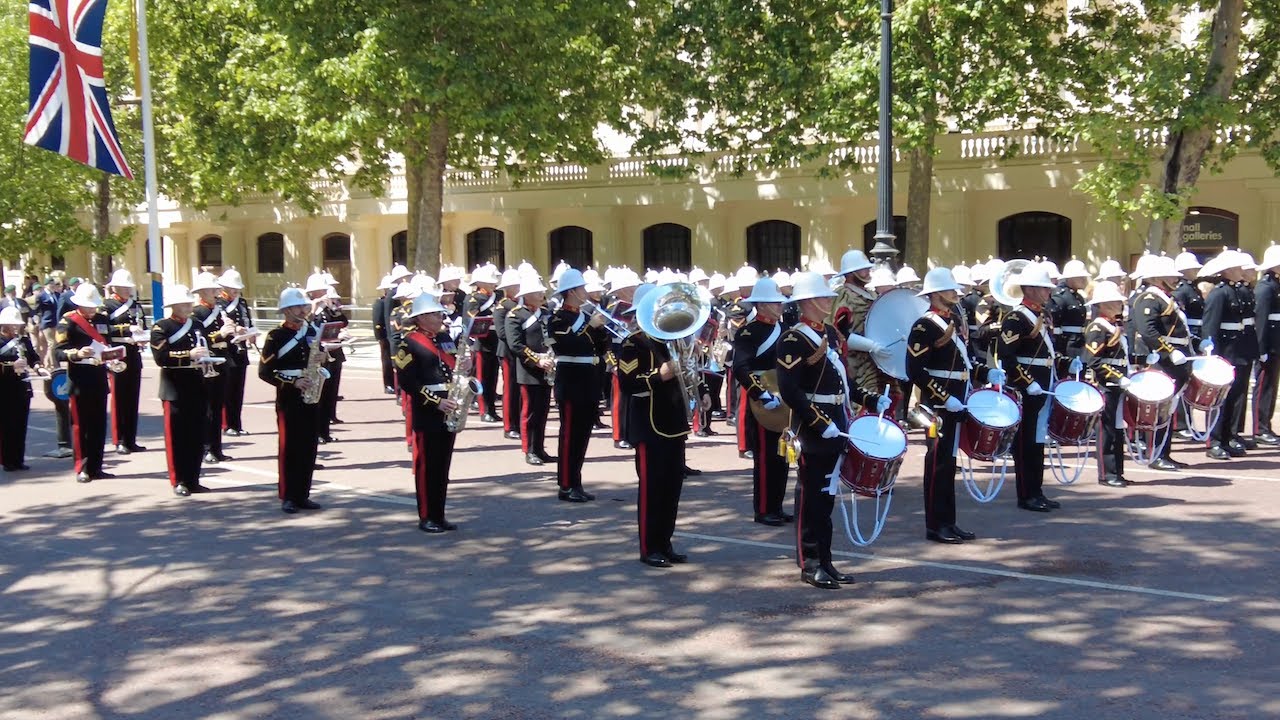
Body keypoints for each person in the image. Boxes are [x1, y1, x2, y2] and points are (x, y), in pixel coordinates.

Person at [776, 272, 888, 589]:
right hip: (815, 429)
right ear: (809, 302)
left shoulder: (828, 332)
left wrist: (870, 397)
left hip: (837, 423)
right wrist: (820, 423)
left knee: (826, 500)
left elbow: (843, 382)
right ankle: (810, 563)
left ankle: (825, 560)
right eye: (824, 297)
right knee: (811, 499)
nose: (829, 300)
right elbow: (790, 390)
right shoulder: (793, 339)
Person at [907, 268, 1004, 543]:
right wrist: (943, 399)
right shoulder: (924, 326)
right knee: (937, 463)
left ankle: (948, 521)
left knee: (948, 465)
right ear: (936, 294)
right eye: (950, 290)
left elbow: (965, 364)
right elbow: (916, 370)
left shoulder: (953, 320)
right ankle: (936, 525)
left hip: (957, 401)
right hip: (938, 407)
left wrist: (986, 374)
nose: (955, 294)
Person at [616, 282, 697, 568]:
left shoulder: (671, 340)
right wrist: (657, 376)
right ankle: (649, 547)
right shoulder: (633, 343)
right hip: (649, 425)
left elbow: (685, 375)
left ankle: (665, 542)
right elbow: (627, 383)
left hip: (673, 421)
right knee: (653, 489)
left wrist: (701, 391)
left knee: (672, 487)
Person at [995, 264, 1071, 513]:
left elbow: (1048, 353)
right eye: (1043, 288)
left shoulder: (1043, 315)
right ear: (1028, 289)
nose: (1048, 292)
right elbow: (1007, 356)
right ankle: (1025, 494)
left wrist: (1067, 364)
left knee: (1038, 441)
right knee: (1025, 442)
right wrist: (1028, 383)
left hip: (1044, 383)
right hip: (1028, 387)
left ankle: (1036, 491)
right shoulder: (1017, 317)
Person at [395, 291, 462, 533]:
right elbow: (407, 381)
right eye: (435, 313)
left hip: (449, 405)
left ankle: (439, 514)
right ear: (421, 318)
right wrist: (435, 402)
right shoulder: (409, 342)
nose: (440, 316)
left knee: (442, 466)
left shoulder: (444, 337)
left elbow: (452, 366)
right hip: (428, 409)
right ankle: (427, 516)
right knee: (427, 467)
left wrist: (465, 366)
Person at [731, 276, 792, 526]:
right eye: (775, 303)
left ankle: (776, 505)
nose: (780, 307)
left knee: (783, 453)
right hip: (763, 401)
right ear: (763, 305)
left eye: (780, 303)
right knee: (766, 457)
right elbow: (741, 368)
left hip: (784, 397)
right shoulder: (749, 331)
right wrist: (760, 393)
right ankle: (764, 508)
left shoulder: (786, 329)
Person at [54, 283, 127, 484]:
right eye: (88, 306)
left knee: (97, 425)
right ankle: (83, 467)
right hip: (79, 377)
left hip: (98, 376)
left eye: (93, 306)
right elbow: (58, 351)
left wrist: (113, 356)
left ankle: (97, 466)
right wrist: (77, 353)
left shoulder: (102, 319)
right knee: (81, 425)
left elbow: (108, 343)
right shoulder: (68, 321)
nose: (91, 310)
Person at [259, 287, 323, 514]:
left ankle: (303, 494)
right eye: (298, 306)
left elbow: (317, 355)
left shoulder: (312, 329)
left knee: (308, 446)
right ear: (286, 310)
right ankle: (288, 495)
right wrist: (292, 383)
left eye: (304, 306)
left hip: (312, 392)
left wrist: (323, 357)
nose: (303, 310)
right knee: (290, 447)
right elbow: (265, 371)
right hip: (289, 396)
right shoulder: (276, 336)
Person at [1131, 255, 1193, 469]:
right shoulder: (1148, 299)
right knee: (1158, 409)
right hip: (1162, 360)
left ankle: (1163, 452)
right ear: (1157, 278)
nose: (1174, 279)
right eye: (1169, 275)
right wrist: (1169, 351)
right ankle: (1155, 454)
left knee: (1169, 409)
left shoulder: (1167, 298)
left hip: (1176, 359)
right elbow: (1148, 331)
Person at [150, 285, 212, 496]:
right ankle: (180, 480)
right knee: (177, 437)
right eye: (184, 304)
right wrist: (190, 354)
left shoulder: (197, 324)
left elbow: (207, 346)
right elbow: (162, 358)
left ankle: (193, 478)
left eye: (189, 303)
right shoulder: (161, 327)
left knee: (196, 435)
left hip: (196, 383)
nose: (188, 306)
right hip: (174, 386)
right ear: (173, 306)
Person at [546, 268, 600, 502]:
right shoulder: (558, 318)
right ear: (572, 292)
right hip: (570, 379)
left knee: (583, 434)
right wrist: (590, 327)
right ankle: (566, 484)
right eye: (582, 288)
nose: (586, 292)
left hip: (588, 378)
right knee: (569, 435)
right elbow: (567, 345)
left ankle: (576, 481)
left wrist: (599, 329)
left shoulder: (585, 316)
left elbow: (599, 346)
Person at [1199, 249, 1257, 459]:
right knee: (1219, 400)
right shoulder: (1219, 293)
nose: (1242, 270)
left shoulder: (1239, 291)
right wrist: (1211, 355)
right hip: (1225, 353)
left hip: (1240, 351)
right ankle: (1213, 441)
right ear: (1228, 271)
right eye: (1238, 267)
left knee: (1235, 397)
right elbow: (1210, 327)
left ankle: (1228, 437)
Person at [1081, 281, 1131, 488]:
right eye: (1114, 301)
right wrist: (1117, 377)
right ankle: (1106, 473)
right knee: (1107, 429)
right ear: (1103, 305)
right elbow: (1094, 361)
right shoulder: (1097, 328)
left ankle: (1117, 471)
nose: (1119, 304)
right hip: (1107, 383)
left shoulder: (1113, 326)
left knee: (1117, 428)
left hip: (1119, 382)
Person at [505, 275, 555, 465]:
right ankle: (529, 449)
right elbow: (515, 344)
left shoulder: (545, 312)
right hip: (529, 369)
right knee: (530, 411)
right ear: (526, 295)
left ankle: (540, 448)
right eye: (537, 292)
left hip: (547, 366)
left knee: (543, 411)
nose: (542, 294)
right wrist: (537, 360)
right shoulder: (516, 315)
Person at [102, 269, 147, 455]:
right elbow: (104, 329)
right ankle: (119, 439)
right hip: (117, 353)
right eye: (124, 287)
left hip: (133, 352)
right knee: (119, 398)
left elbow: (142, 324)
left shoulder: (135, 305)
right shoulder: (107, 306)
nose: (128, 290)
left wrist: (142, 336)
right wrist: (127, 329)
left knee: (132, 398)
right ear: (115, 287)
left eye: (129, 287)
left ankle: (131, 439)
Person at [192, 272, 235, 463]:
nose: (216, 292)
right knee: (207, 408)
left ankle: (216, 448)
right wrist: (220, 334)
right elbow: (199, 339)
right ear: (202, 292)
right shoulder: (197, 313)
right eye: (212, 289)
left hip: (222, 360)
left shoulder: (218, 310)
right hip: (208, 363)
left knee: (217, 407)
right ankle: (206, 447)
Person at [0, 306, 40, 471]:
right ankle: (8, 460)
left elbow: (33, 357)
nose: (15, 328)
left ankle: (18, 458)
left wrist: (38, 367)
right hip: (4, 387)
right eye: (12, 324)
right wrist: (10, 366)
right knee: (7, 425)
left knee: (21, 424)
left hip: (22, 386)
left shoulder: (23, 340)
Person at [216, 268, 255, 437]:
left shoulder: (242, 302)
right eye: (232, 287)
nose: (235, 290)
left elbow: (248, 321)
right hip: (227, 348)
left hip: (241, 349)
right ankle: (227, 424)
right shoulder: (219, 304)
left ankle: (236, 424)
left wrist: (251, 334)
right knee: (227, 389)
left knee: (238, 390)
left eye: (237, 288)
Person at [606, 270, 639, 449]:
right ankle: (619, 435)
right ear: (623, 289)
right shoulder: (614, 310)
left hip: (636, 357)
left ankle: (631, 432)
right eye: (632, 287)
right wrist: (612, 363)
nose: (635, 289)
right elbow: (607, 342)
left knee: (633, 398)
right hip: (619, 358)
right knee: (620, 400)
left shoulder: (637, 307)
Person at [465, 264, 502, 423]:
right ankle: (484, 409)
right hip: (482, 342)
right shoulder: (473, 299)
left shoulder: (498, 296)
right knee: (482, 378)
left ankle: (491, 408)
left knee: (493, 377)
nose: (494, 284)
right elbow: (471, 321)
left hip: (496, 341)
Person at [1253, 245, 1280, 445]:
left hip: (1275, 344)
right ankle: (1259, 429)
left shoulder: (1275, 285)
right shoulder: (1265, 287)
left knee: (1271, 387)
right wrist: (1260, 349)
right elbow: (1261, 320)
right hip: (1268, 345)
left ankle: (1266, 425)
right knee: (1264, 388)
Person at [493, 269, 523, 440]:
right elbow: (502, 332)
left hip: (520, 351)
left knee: (519, 389)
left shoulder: (520, 305)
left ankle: (518, 422)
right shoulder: (503, 306)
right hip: (508, 352)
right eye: (516, 286)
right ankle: (509, 425)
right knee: (510, 389)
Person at [1048, 259, 1090, 379]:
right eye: (1081, 277)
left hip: (1078, 344)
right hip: (1067, 346)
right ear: (1071, 278)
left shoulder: (1078, 297)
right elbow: (1055, 326)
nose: (1084, 280)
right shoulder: (1060, 296)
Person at [372, 274, 397, 394]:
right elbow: (378, 320)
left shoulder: (394, 301)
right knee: (386, 361)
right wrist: (380, 337)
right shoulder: (380, 302)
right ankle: (388, 384)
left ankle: (394, 382)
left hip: (392, 333)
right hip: (384, 334)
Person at [35, 276, 64, 365]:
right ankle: (55, 364)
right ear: (46, 285)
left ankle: (47, 362)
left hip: (56, 322)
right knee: (52, 343)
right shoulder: (41, 296)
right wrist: (38, 321)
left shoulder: (57, 295)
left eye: (53, 284)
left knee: (55, 343)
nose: (52, 286)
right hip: (47, 322)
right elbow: (37, 310)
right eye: (50, 284)